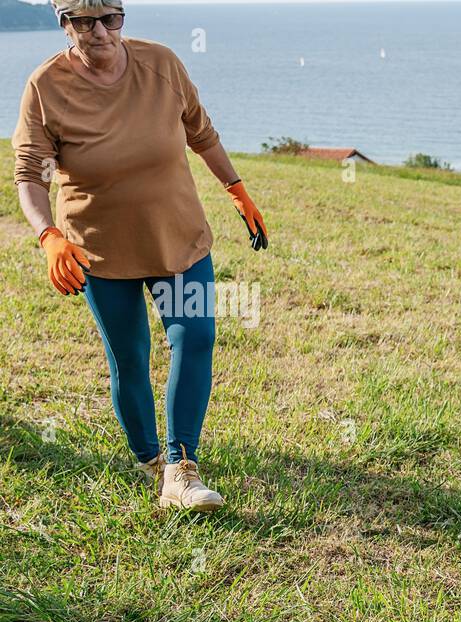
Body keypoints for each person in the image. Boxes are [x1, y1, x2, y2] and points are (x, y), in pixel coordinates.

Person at [11, 1, 269, 512]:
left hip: (177, 237)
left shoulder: (163, 65)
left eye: (111, 18)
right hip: (99, 248)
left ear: (122, 18)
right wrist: (49, 236)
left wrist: (237, 189)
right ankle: (148, 458)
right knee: (129, 357)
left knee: (195, 336)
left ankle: (180, 466)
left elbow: (201, 132)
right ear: (65, 24)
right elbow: (30, 175)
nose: (101, 32)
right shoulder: (46, 87)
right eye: (85, 22)